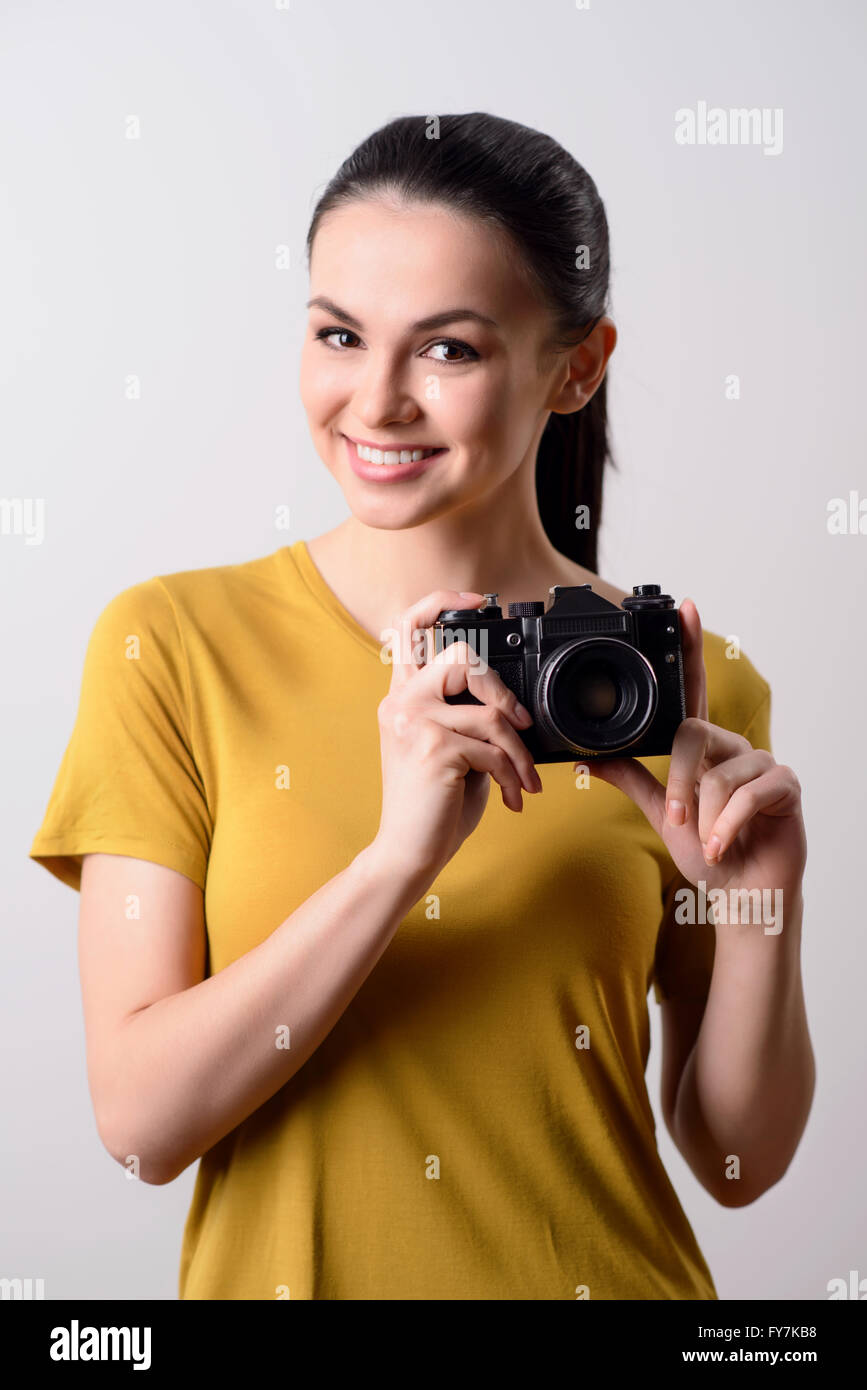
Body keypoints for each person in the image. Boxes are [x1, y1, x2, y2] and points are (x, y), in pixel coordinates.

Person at [29, 112, 814, 1300]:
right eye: (340, 334)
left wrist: (763, 914)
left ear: (577, 366)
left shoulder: (672, 680)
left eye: (448, 350)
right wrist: (396, 863)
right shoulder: (172, 647)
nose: (378, 400)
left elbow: (739, 1162)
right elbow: (141, 1125)